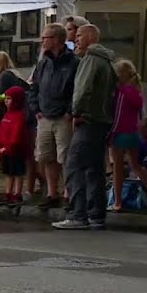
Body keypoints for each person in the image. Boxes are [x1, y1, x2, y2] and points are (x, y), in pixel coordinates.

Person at [53, 23, 116, 231]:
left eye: (79, 35)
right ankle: (96, 214)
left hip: (88, 120)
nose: (75, 40)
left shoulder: (90, 59)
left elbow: (82, 90)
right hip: (102, 120)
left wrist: (75, 112)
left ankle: (77, 214)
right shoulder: (107, 61)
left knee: (75, 165)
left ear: (90, 37)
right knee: (94, 168)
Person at [28, 23, 79, 210]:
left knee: (65, 156)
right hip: (45, 116)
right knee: (46, 156)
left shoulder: (73, 62)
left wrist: (69, 112)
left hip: (63, 117)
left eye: (46, 38)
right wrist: (36, 109)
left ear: (57, 39)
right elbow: (34, 87)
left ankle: (68, 193)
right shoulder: (43, 63)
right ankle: (51, 193)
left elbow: (76, 90)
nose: (43, 41)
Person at [108, 59, 144, 212]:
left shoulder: (123, 92)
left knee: (117, 168)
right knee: (136, 166)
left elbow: (118, 114)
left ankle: (117, 201)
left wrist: (111, 133)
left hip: (121, 133)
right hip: (133, 132)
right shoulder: (136, 90)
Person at [0, 86, 29, 205]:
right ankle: (8, 193)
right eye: (6, 98)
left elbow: (17, 135)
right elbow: (1, 132)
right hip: (5, 150)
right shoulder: (7, 115)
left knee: (18, 173)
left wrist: (9, 147)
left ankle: (17, 194)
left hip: (16, 150)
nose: (6, 101)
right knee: (8, 173)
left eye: (9, 98)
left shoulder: (19, 116)